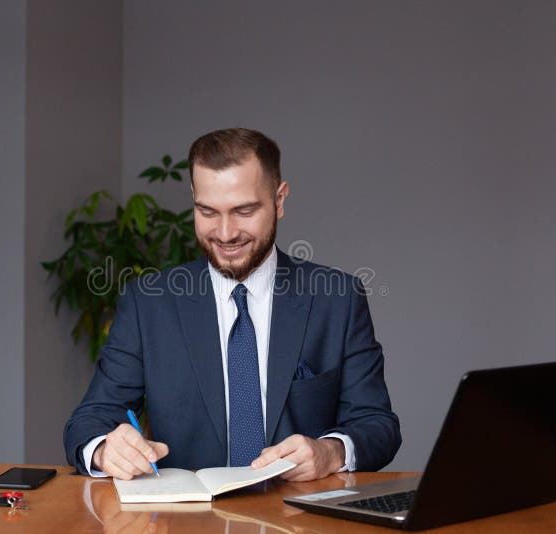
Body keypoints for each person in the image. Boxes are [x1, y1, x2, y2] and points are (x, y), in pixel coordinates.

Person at [64, 128, 400, 482]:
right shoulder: (147, 304)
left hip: (299, 510)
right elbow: (89, 420)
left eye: (244, 211)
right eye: (207, 211)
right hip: (188, 512)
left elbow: (377, 424)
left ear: (279, 200)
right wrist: (104, 450)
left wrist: (331, 452)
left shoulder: (338, 299)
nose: (225, 234)